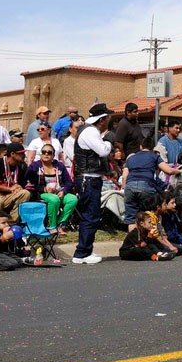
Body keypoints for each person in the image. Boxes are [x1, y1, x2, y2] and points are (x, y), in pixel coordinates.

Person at [71, 102, 114, 264]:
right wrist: (108, 141)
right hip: (88, 179)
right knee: (90, 216)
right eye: (107, 117)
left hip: (90, 179)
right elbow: (103, 151)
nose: (109, 120)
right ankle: (82, 253)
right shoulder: (90, 131)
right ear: (101, 119)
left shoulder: (89, 130)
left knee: (91, 215)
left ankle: (85, 250)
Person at [121, 143, 179, 231]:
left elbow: (124, 177)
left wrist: (124, 189)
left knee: (131, 219)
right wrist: (179, 171)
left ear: (141, 147)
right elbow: (169, 171)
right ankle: (152, 237)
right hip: (145, 185)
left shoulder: (131, 158)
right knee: (150, 215)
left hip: (130, 187)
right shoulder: (154, 156)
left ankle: (133, 239)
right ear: (153, 148)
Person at [26, 144, 78, 231]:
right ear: (41, 154)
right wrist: (43, 189)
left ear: (53, 155)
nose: (46, 154)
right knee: (54, 199)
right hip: (41, 193)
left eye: (49, 152)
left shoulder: (59, 166)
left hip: (59, 192)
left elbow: (69, 182)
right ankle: (52, 226)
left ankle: (60, 223)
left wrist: (64, 191)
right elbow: (29, 184)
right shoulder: (34, 166)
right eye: (44, 152)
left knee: (73, 199)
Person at [0, 143, 32, 221]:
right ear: (12, 154)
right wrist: (9, 189)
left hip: (8, 195)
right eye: (21, 153)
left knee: (25, 193)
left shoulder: (21, 166)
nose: (24, 155)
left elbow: (22, 184)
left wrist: (19, 187)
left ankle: (12, 222)